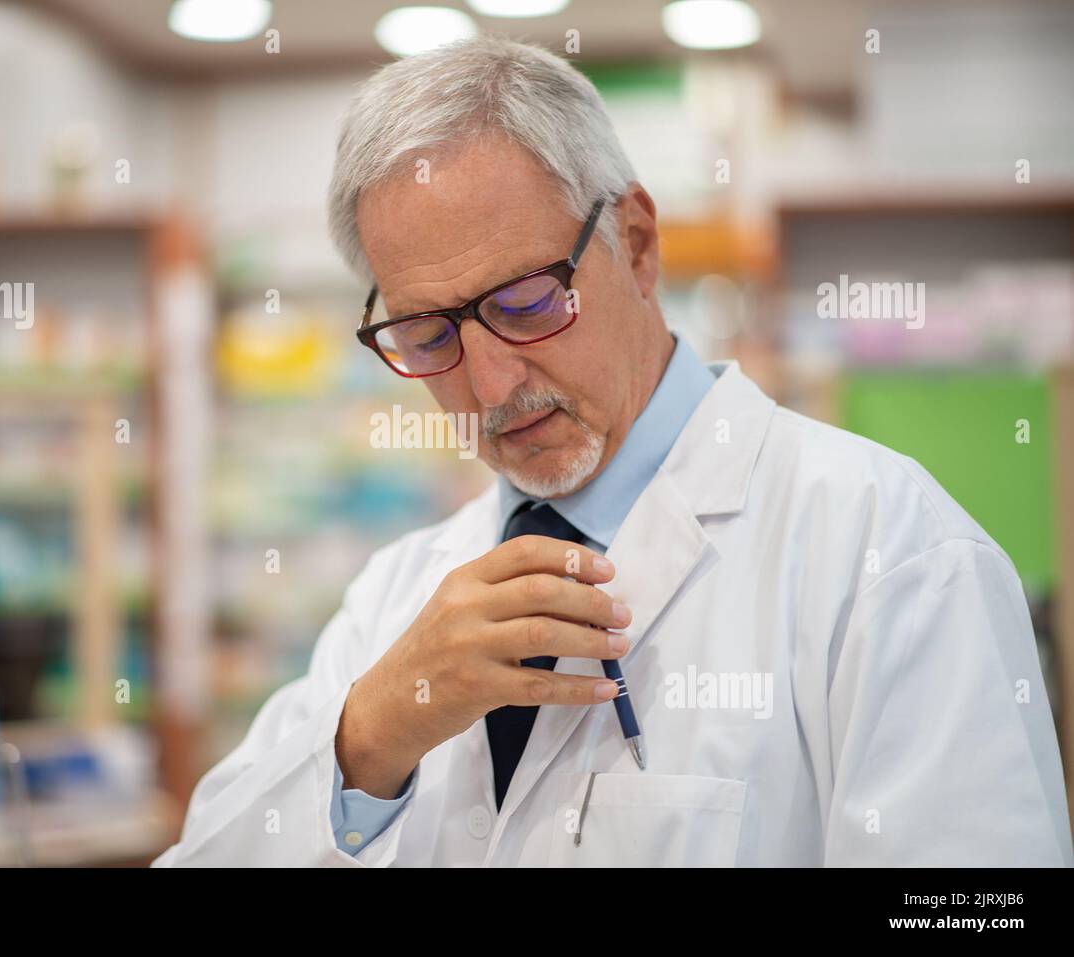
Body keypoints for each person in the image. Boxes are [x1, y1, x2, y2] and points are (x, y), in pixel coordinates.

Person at [154, 36, 1072, 867]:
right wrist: (373, 733)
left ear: (635, 245)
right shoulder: (394, 599)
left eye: (524, 302)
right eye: (429, 333)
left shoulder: (882, 547)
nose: (489, 386)